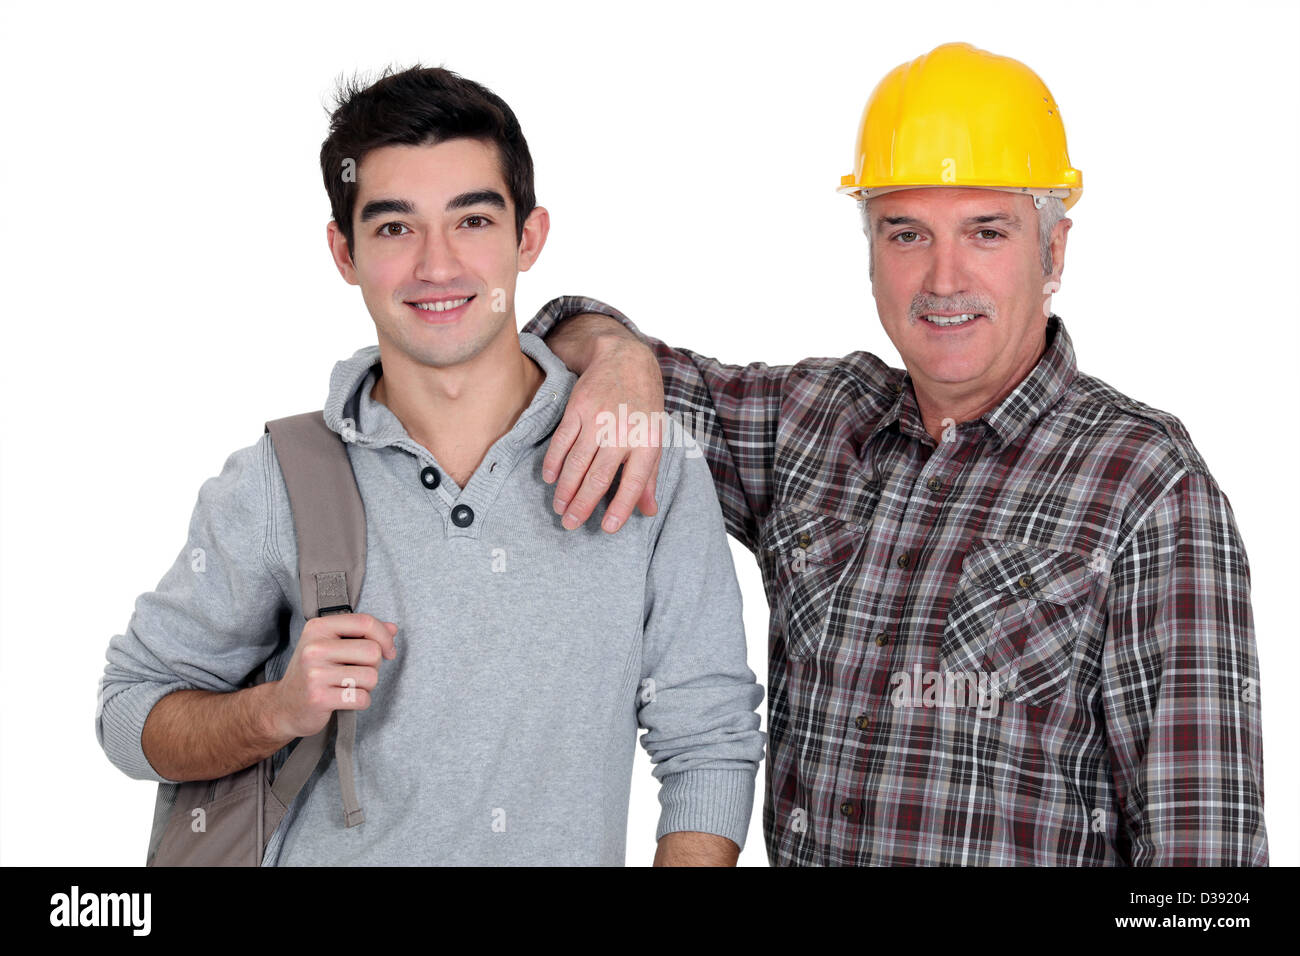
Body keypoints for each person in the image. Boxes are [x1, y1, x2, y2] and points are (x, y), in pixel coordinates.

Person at [521, 42, 1268, 865]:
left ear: (1053, 253)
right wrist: (620, 355)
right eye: (906, 233)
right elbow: (559, 340)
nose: (943, 279)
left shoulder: (1147, 483)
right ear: (870, 253)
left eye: (987, 232)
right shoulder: (810, 423)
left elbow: (1209, 872)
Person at [95, 65, 765, 866]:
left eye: (473, 220)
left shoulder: (644, 456)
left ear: (531, 236)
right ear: (344, 252)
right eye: (393, 228)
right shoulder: (279, 481)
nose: (437, 266)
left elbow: (707, 741)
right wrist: (275, 709)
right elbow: (130, 713)